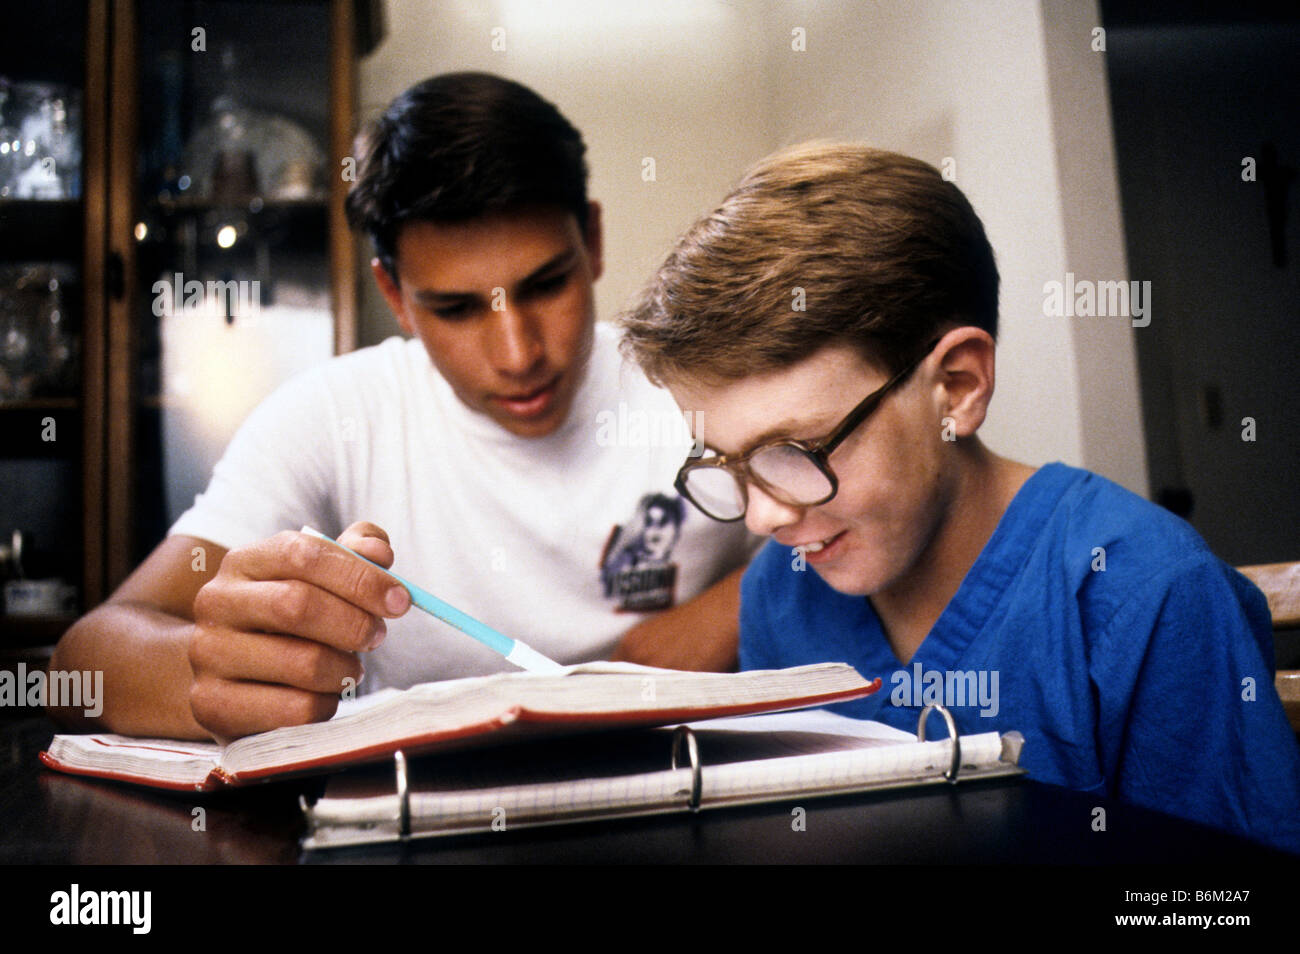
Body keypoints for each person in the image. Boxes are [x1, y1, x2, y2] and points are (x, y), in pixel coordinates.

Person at [619, 141, 1300, 852]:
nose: (762, 516)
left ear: (958, 388)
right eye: (724, 461)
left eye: (795, 453)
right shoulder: (779, 593)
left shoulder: (1146, 594)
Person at [48, 72, 754, 743]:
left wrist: (743, 600)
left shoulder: (696, 385)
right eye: (455, 308)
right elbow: (82, 665)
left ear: (592, 242)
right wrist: (208, 677)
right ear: (394, 295)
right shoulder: (332, 416)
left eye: (545, 286)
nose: (517, 353)